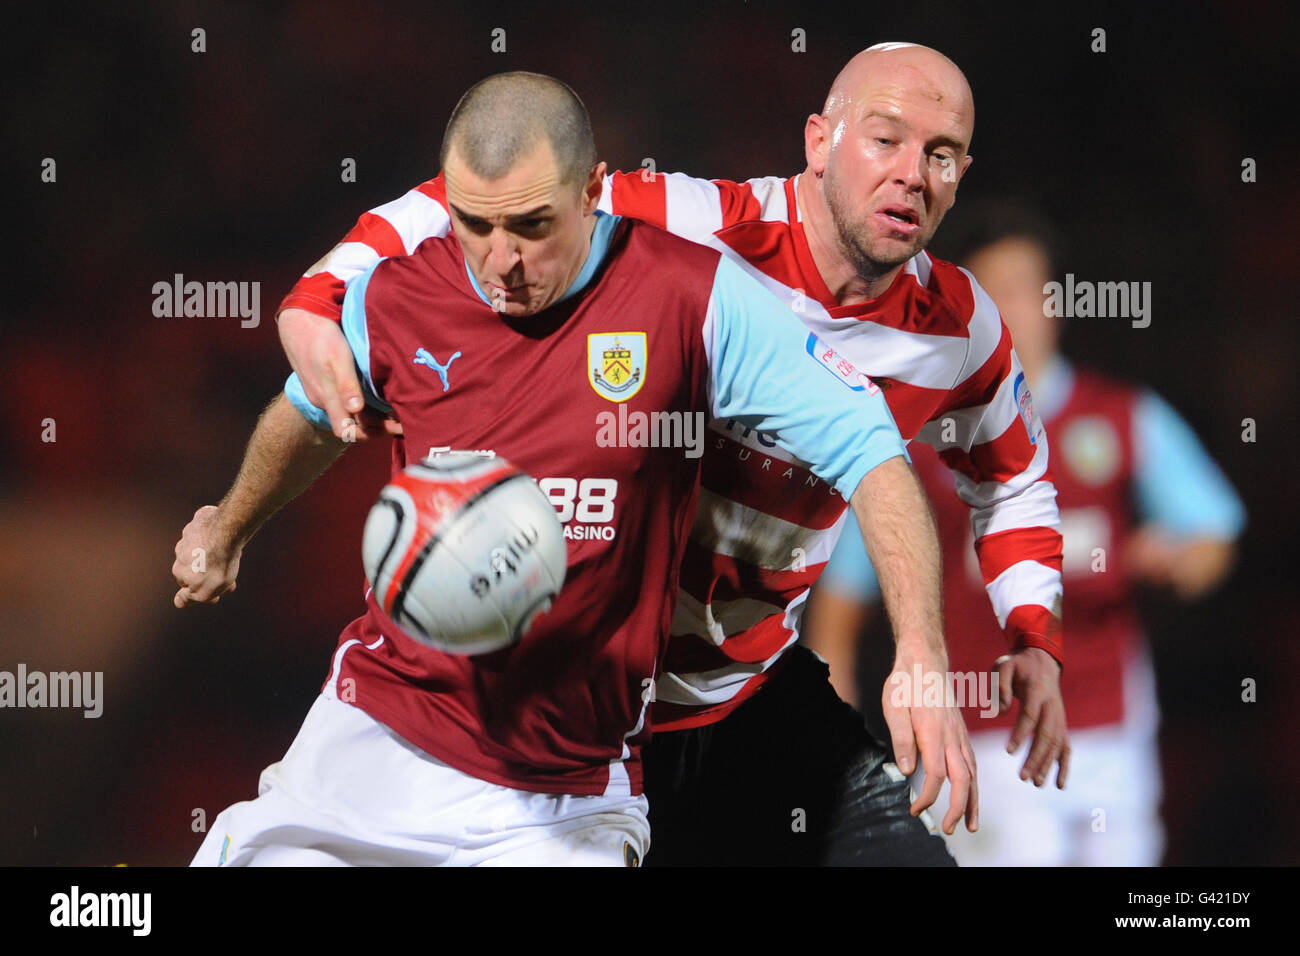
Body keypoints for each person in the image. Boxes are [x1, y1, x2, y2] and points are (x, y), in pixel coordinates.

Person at [273, 43, 1048, 865]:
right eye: (885, 140)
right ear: (819, 141)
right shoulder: (692, 229)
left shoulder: (960, 329)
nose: (912, 174)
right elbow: (489, 194)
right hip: (583, 719)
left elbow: (1013, 474)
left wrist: (1032, 635)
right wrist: (322, 293)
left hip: (744, 692)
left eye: (941, 154)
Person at [808, 203, 1245, 865]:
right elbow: (842, 600)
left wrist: (1180, 562)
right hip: (985, 741)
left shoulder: (1124, 418)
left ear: (1056, 303)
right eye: (994, 292)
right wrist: (836, 735)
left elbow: (1213, 534)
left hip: (1109, 732)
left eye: (1026, 289)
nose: (1014, 308)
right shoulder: (919, 444)